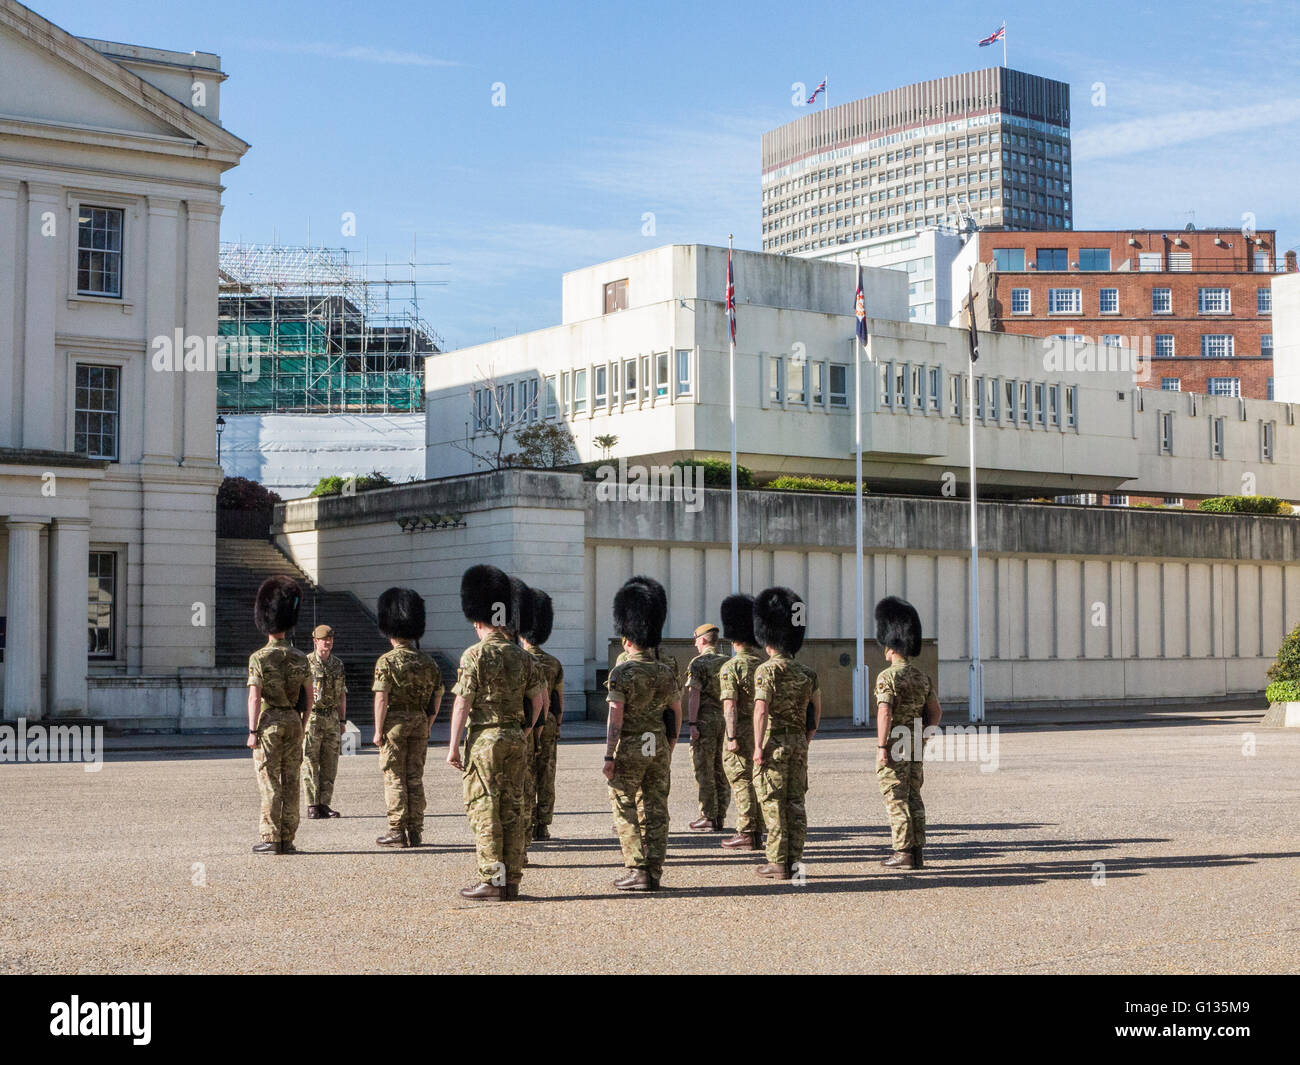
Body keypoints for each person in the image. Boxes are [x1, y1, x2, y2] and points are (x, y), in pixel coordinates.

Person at [448, 565, 547, 901]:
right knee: (514, 807)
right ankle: (512, 879)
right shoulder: (523, 655)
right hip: (516, 737)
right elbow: (539, 700)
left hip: (485, 739)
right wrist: (527, 728)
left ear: (478, 621)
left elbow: (463, 703)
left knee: (485, 808)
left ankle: (492, 879)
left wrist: (453, 747)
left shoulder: (474, 655)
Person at [604, 575, 680, 891]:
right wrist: (670, 743)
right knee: (657, 809)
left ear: (627, 637)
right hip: (658, 743)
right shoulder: (665, 670)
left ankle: (637, 868)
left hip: (633, 744)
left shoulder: (621, 671)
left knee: (625, 805)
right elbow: (675, 712)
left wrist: (609, 754)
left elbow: (615, 716)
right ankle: (655, 871)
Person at [751, 586, 820, 880]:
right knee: (795, 802)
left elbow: (761, 710)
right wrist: (804, 740)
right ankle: (795, 861)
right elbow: (814, 715)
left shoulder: (766, 671)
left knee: (773, 801)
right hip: (798, 743)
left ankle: (777, 862)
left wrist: (757, 746)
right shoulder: (808, 673)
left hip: (774, 740)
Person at [371, 588, 443, 849]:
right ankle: (416, 830)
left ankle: (397, 829)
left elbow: (381, 698)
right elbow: (438, 695)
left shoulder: (386, 661)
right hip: (420, 720)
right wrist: (429, 722)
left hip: (395, 723)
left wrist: (378, 730)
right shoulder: (429, 661)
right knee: (415, 777)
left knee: (395, 777)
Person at [874, 596, 941, 870]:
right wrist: (923, 735)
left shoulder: (887, 677)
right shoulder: (922, 677)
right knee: (914, 794)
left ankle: (902, 851)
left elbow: (885, 713)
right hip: (914, 739)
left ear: (889, 645)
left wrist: (881, 746)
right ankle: (917, 850)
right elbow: (936, 712)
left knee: (895, 795)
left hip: (894, 742)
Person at [247, 576, 312, 855]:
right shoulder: (300, 657)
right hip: (294, 721)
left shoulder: (259, 658)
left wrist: (252, 731)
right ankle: (288, 837)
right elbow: (310, 697)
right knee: (292, 780)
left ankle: (271, 837)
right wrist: (303, 722)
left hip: (270, 721)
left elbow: (254, 696)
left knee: (270, 780)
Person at [717, 594, 764, 851]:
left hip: (741, 729)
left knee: (740, 779)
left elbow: (730, 704)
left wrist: (732, 736)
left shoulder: (731, 667)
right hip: (760, 729)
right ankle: (757, 829)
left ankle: (747, 831)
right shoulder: (763, 666)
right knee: (756, 777)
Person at [521, 588, 564, 842]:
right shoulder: (554, 663)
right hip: (548, 723)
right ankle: (543, 825)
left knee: (526, 775)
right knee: (546, 774)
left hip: (527, 721)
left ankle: (526, 823)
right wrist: (556, 724)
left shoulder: (519, 660)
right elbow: (558, 700)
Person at [685, 622, 730, 832]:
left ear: (702, 640)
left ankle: (708, 815)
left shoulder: (698, 663)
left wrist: (692, 723)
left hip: (705, 719)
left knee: (704, 768)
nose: (695, 644)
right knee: (720, 768)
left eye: (696, 640)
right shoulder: (727, 662)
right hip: (724, 718)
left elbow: (694, 694)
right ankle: (720, 814)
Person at [303, 623, 346, 819]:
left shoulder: (337, 665)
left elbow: (342, 695)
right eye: (323, 640)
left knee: (330, 762)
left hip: (331, 717)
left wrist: (343, 720)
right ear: (315, 641)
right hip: (312, 717)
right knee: (310, 762)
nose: (327, 643)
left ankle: (324, 803)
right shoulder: (306, 663)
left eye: (330, 640)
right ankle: (312, 804)